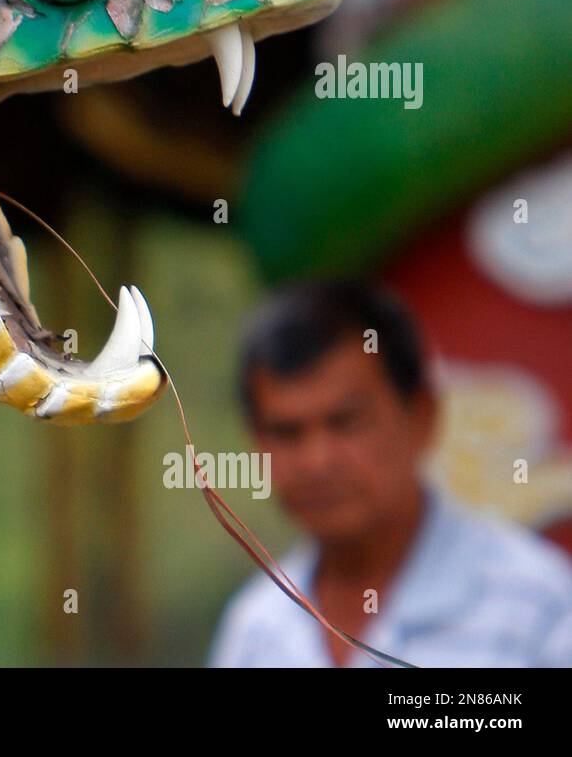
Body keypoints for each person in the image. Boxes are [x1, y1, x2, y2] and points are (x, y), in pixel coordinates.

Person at [209, 280, 572, 667]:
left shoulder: (540, 607)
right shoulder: (257, 629)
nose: (318, 461)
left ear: (421, 416)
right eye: (287, 432)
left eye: (346, 422)